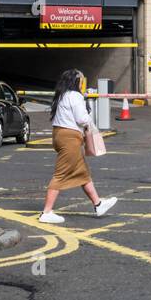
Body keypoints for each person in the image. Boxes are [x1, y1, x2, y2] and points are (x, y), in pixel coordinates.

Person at [39, 69, 118, 223]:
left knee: (82, 172)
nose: (83, 83)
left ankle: (98, 204)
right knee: (61, 174)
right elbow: (82, 118)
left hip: (60, 135)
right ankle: (46, 212)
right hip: (70, 138)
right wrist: (91, 123)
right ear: (77, 82)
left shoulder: (62, 95)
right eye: (82, 80)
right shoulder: (75, 96)